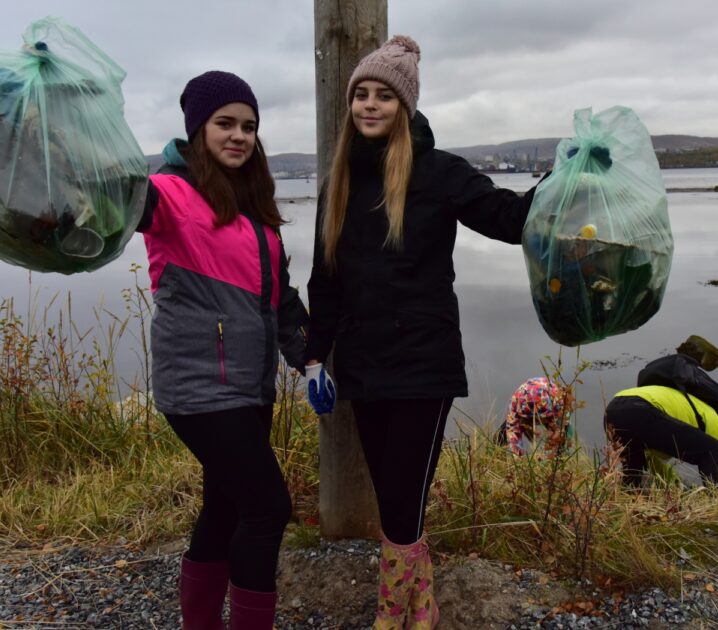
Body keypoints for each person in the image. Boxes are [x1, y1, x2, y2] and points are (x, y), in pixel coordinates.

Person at [303, 35, 543, 629]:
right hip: (362, 364)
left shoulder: (438, 173)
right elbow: (325, 281)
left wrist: (562, 182)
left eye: (383, 95)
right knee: (393, 499)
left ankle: (394, 615)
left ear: (404, 106)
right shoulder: (338, 184)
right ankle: (422, 603)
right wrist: (314, 360)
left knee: (404, 503)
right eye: (360, 93)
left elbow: (511, 221)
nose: (369, 104)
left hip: (423, 365)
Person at [140, 71, 307, 630]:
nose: (239, 136)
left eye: (249, 127)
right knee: (267, 509)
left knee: (226, 506)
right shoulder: (166, 193)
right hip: (199, 388)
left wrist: (306, 355)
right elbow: (108, 202)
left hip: (249, 386)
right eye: (225, 124)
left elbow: (279, 296)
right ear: (197, 129)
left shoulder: (256, 208)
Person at [603, 336, 718, 486]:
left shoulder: (682, 401)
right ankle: (716, 507)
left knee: (634, 470)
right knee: (713, 449)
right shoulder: (716, 422)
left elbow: (653, 460)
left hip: (614, 407)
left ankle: (629, 499)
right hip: (643, 410)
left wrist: (677, 485)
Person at [496, 376, 573, 457]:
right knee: (502, 435)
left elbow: (559, 430)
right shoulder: (515, 403)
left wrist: (548, 457)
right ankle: (497, 452)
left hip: (552, 405)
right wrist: (519, 459)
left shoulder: (559, 400)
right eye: (531, 419)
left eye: (538, 418)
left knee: (563, 439)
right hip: (524, 406)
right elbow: (512, 430)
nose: (535, 421)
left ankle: (562, 459)